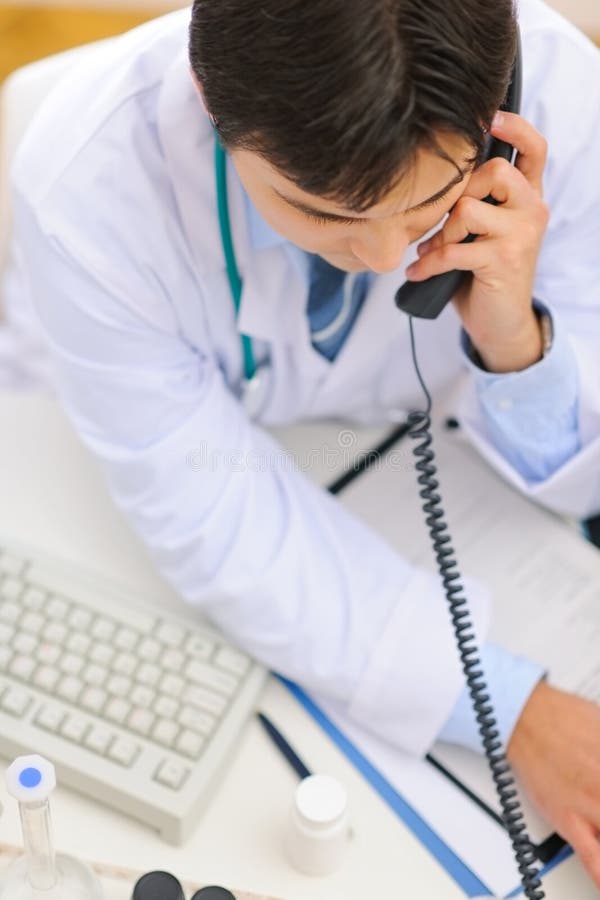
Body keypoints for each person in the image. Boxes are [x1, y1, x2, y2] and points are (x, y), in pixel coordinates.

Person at [3, 0, 600, 884]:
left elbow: (580, 484)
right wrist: (509, 709)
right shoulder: (88, 186)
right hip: (86, 475)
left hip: (392, 465)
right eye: (323, 214)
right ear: (210, 100)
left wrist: (515, 339)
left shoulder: (567, 100)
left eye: (430, 204)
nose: (389, 256)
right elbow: (214, 513)